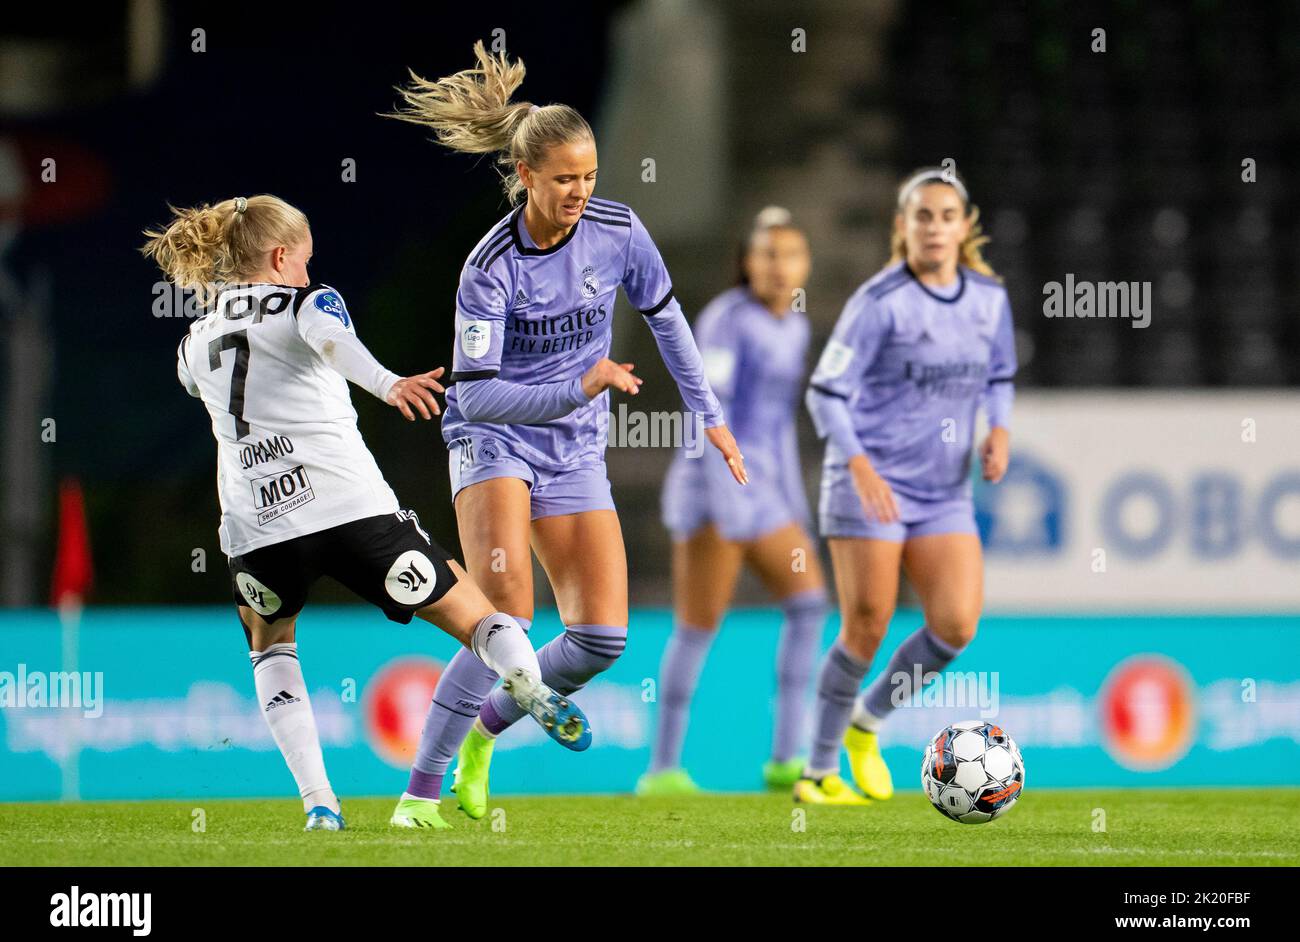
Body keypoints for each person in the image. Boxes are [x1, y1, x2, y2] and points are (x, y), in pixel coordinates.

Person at [142, 194, 590, 832]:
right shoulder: (306, 301)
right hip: (350, 509)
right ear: (279, 256)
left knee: (272, 648)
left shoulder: (194, 342)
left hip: (257, 529)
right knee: (478, 617)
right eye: (303, 260)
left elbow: (197, 382)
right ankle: (525, 682)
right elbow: (333, 340)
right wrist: (389, 383)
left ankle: (319, 804)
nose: (306, 271)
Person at [384, 41, 747, 821]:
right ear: (525, 177)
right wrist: (576, 385)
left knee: (599, 641)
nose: (580, 190)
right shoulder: (489, 269)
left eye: (588, 175)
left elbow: (667, 318)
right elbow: (476, 399)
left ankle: (485, 735)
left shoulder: (618, 231)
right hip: (494, 443)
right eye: (563, 179)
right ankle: (419, 793)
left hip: (575, 448)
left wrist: (708, 415)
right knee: (506, 612)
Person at [796, 167, 1016, 805]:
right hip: (872, 483)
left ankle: (867, 723)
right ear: (903, 227)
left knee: (954, 625)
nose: (935, 227)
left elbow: (1000, 375)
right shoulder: (880, 301)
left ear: (964, 226)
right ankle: (817, 771)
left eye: (947, 216)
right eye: (923, 216)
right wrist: (859, 463)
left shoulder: (988, 299)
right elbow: (826, 392)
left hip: (943, 488)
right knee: (867, 622)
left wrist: (999, 431)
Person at [638, 207, 830, 796]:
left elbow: (776, 427)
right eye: (768, 254)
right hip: (711, 493)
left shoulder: (795, 326)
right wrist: (726, 503)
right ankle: (663, 770)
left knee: (809, 605)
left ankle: (784, 758)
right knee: (697, 626)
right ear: (747, 263)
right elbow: (705, 412)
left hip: (767, 493)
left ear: (805, 264)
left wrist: (795, 504)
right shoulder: (725, 319)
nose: (779, 266)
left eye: (791, 254)